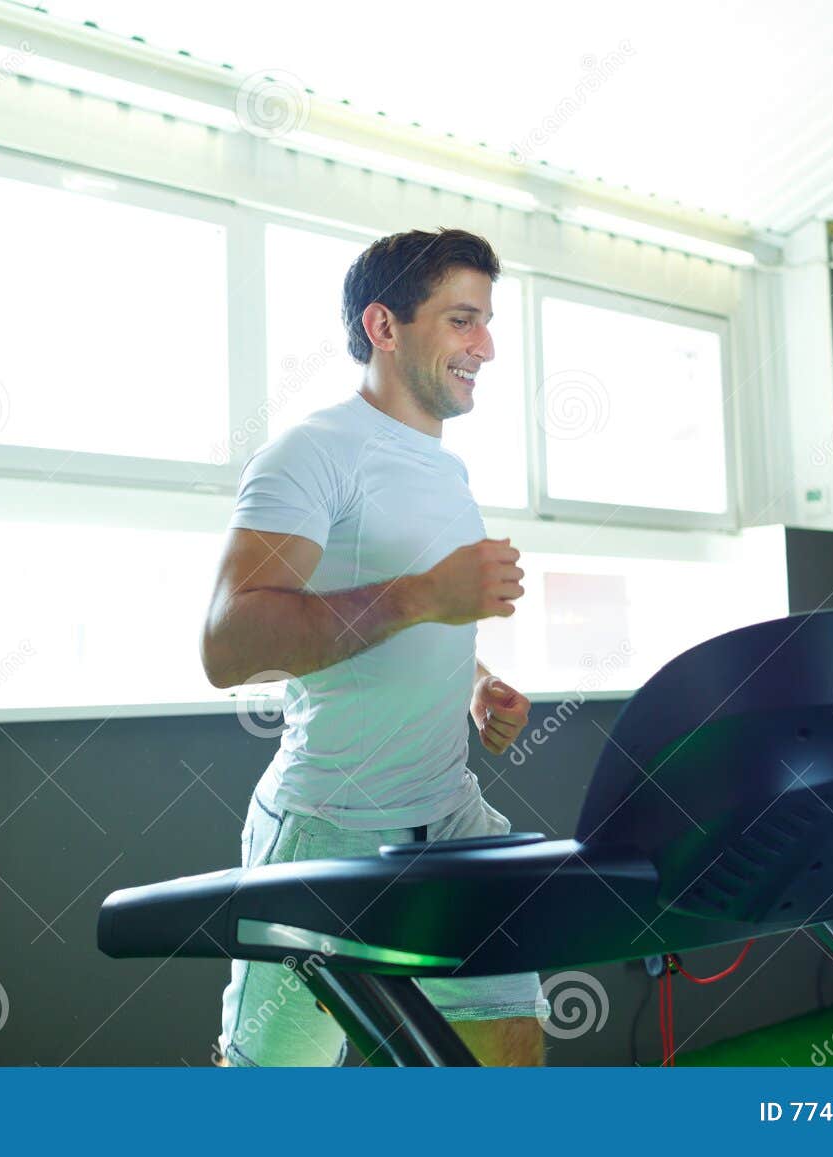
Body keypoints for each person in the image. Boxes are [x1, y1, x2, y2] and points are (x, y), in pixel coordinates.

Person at [203, 227, 549, 1066]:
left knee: (507, 1054)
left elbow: (411, 624)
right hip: (330, 829)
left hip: (449, 814)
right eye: (463, 320)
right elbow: (229, 643)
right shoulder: (313, 452)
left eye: (488, 322)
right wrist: (430, 592)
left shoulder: (446, 470)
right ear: (384, 326)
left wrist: (474, 681)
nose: (487, 346)